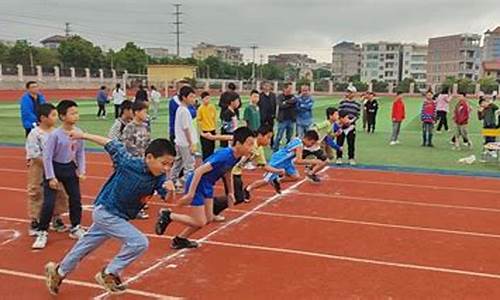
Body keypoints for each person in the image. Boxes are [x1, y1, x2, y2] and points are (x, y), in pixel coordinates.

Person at [44, 134, 176, 295]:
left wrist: (171, 191)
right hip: (105, 211)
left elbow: (168, 200)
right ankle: (109, 273)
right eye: (164, 163)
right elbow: (111, 144)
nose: (167, 168)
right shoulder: (128, 163)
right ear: (149, 157)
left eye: (170, 165)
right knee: (139, 242)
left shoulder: (160, 177)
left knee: (84, 245)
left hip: (119, 216)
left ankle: (58, 272)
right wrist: (82, 135)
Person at [155, 127, 255, 249]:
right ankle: (168, 215)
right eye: (249, 144)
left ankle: (180, 239)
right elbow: (198, 171)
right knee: (200, 221)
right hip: (198, 183)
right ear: (238, 143)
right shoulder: (224, 155)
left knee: (208, 218)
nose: (252, 148)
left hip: (207, 184)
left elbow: (228, 172)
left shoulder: (236, 156)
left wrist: (230, 192)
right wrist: (191, 194)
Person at [32, 100, 86, 249]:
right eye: (72, 113)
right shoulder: (55, 135)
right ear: (62, 116)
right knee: (49, 202)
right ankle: (42, 231)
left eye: (77, 112)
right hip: (54, 167)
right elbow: (47, 157)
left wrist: (81, 170)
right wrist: (50, 177)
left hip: (69, 167)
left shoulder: (78, 133)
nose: (76, 116)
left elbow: (80, 153)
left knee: (75, 198)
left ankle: (75, 227)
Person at [25, 103, 68, 237]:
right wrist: (47, 164)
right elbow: (34, 153)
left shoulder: (57, 132)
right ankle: (35, 219)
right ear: (43, 118)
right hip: (39, 166)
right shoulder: (35, 133)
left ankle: (57, 217)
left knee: (60, 191)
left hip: (56, 166)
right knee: (36, 191)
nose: (56, 118)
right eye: (53, 115)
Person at [256, 130, 327, 193]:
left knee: (295, 177)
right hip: (279, 160)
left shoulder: (297, 139)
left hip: (286, 161)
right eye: (312, 143)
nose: (311, 145)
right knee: (266, 180)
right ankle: (248, 189)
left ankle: (276, 180)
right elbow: (298, 161)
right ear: (307, 139)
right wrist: (314, 161)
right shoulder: (300, 145)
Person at [170, 86, 198, 189]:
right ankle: (184, 185)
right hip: (185, 143)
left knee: (177, 164)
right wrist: (191, 144)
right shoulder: (185, 111)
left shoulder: (180, 109)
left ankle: (171, 181)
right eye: (191, 97)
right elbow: (186, 129)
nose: (193, 99)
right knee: (189, 166)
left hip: (180, 142)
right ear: (184, 97)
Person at [337, 86, 361, 165]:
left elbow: (357, 115)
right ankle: (339, 157)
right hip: (342, 125)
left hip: (351, 126)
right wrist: (343, 121)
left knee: (351, 143)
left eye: (350, 92)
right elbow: (339, 113)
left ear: (354, 93)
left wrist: (351, 121)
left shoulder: (357, 104)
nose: (348, 93)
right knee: (340, 142)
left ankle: (351, 158)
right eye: (348, 92)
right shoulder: (342, 102)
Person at [273, 83, 297, 151]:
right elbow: (281, 105)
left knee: (289, 137)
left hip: (291, 120)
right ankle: (275, 150)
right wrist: (289, 103)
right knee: (279, 136)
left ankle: (287, 150)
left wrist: (286, 102)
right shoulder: (280, 96)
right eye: (289, 88)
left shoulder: (293, 96)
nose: (291, 90)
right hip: (282, 120)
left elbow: (295, 101)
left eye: (291, 88)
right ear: (285, 89)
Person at [197, 91, 217, 160]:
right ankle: (205, 163)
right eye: (206, 98)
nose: (207, 100)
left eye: (209, 98)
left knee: (212, 148)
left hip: (212, 130)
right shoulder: (200, 109)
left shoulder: (212, 107)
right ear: (202, 99)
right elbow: (199, 120)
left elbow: (214, 118)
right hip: (205, 131)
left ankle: (211, 163)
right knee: (205, 149)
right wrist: (201, 131)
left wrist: (215, 128)